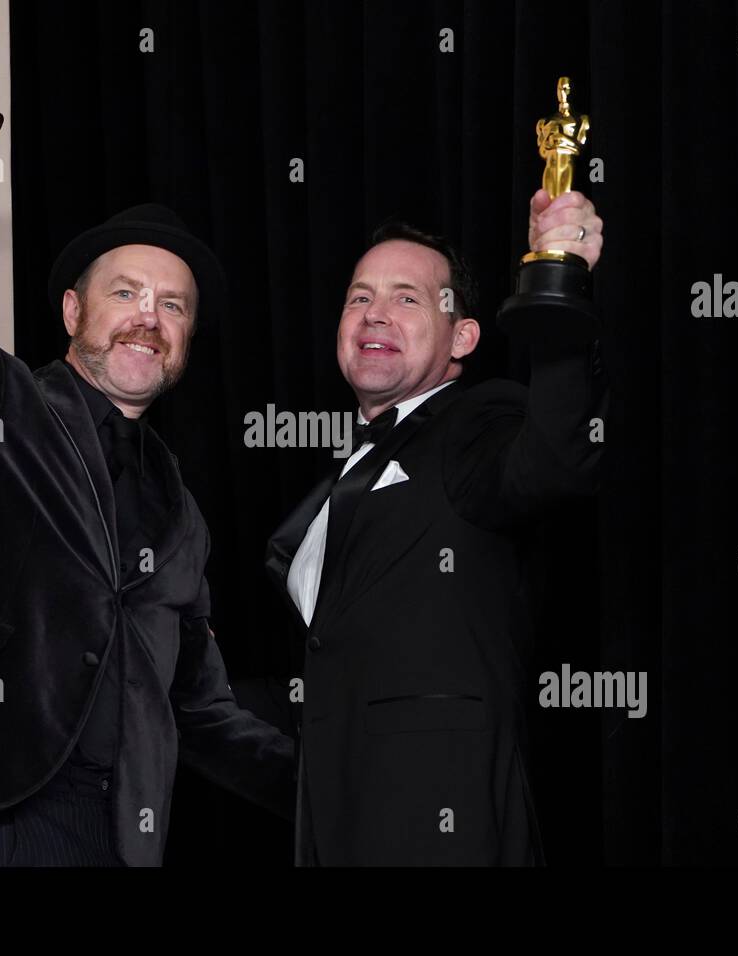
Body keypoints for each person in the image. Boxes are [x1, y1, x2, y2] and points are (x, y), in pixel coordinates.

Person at [0, 97, 294, 866]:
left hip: (113, 832)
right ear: (74, 310)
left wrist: (338, 791)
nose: (148, 316)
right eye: (126, 292)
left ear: (187, 340)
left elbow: (199, 710)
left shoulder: (184, 517)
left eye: (172, 305)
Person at [265, 193, 607, 865]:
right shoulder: (338, 483)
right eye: (358, 298)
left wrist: (558, 279)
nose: (375, 313)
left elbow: (553, 460)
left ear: (463, 337)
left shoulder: (476, 423)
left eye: (408, 299)